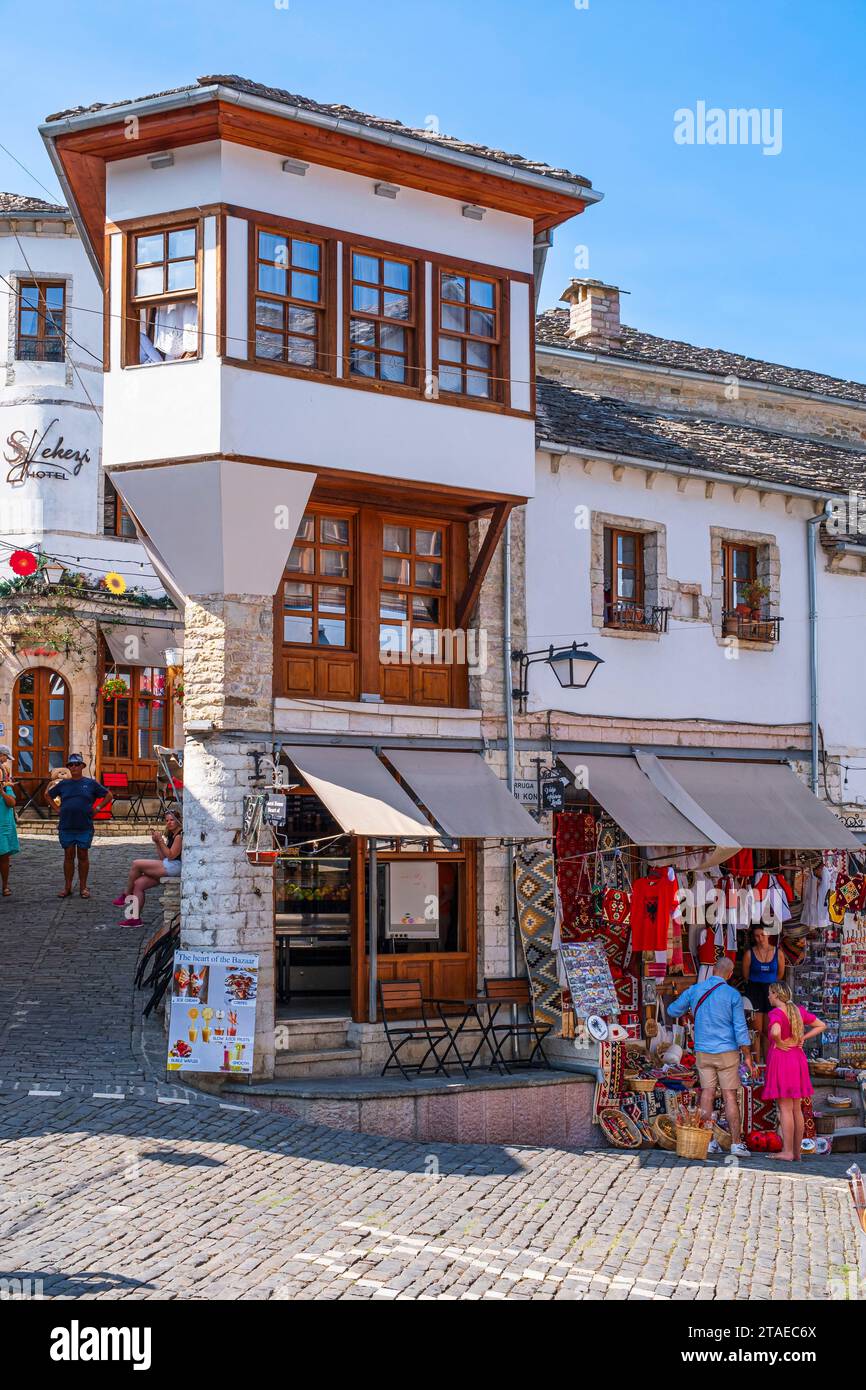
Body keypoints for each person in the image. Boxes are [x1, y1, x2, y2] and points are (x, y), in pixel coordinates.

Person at [667, 958, 756, 1159]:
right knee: (730, 1096)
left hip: (703, 1051)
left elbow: (672, 1010)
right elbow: (740, 1029)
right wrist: (748, 1056)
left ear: (713, 970)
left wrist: (690, 1009)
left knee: (706, 1094)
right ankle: (736, 1144)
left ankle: (707, 1142)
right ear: (730, 974)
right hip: (727, 1052)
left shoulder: (695, 990)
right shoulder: (733, 995)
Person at [763, 981, 826, 1162]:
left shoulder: (776, 1012)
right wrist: (802, 1038)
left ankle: (787, 1151)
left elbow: (775, 1031)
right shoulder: (797, 1011)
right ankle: (797, 1152)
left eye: (769, 993)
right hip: (797, 1059)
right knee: (796, 1108)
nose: (768, 996)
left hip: (782, 1060)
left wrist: (780, 1042)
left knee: (784, 1108)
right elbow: (821, 1025)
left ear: (775, 994)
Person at [45, 755, 112, 899]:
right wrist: (57, 809)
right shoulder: (63, 784)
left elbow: (108, 795)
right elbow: (48, 795)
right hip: (66, 825)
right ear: (68, 767)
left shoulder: (90, 783)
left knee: (83, 855)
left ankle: (83, 887)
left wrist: (98, 808)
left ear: (82, 766)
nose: (74, 767)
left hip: (84, 825)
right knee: (68, 855)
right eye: (71, 765)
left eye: (76, 764)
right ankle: (67, 887)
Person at [113, 807, 182, 926]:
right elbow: (163, 858)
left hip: (176, 866)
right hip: (169, 865)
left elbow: (171, 856)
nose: (169, 823)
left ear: (178, 820)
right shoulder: (172, 834)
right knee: (138, 884)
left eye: (172, 820)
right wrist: (157, 842)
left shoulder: (179, 836)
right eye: (167, 821)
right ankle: (135, 919)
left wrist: (161, 841)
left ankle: (126, 895)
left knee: (136, 864)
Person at [742, 926, 786, 1061]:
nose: (760, 938)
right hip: (755, 992)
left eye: (762, 935)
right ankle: (756, 1064)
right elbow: (745, 975)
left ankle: (768, 1063)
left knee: (769, 1031)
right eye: (756, 936)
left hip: (771, 992)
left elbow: (780, 974)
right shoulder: (749, 953)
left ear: (768, 935)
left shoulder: (778, 953)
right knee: (756, 1031)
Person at [0, 757, 19, 896]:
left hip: (4, 827)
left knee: (4, 858)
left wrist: (1, 791)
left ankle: (5, 886)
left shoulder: (7, 789)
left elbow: (12, 803)